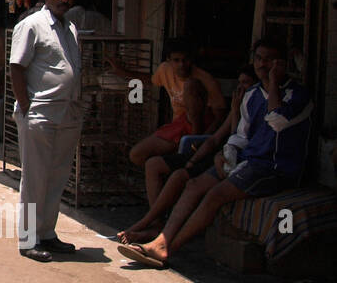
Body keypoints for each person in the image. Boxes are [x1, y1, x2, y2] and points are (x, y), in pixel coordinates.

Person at [119, 38, 311, 269]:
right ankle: (160, 237)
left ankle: (167, 249)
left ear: (281, 63)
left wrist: (273, 83)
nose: (262, 64)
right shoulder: (251, 95)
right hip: (247, 161)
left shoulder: (297, 95)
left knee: (215, 194)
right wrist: (226, 155)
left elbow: (277, 120)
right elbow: (241, 135)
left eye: (269, 60)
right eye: (259, 59)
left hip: (274, 168)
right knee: (193, 185)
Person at [118, 64, 258, 245]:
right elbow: (214, 141)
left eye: (246, 84)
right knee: (156, 165)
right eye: (239, 84)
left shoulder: (253, 106)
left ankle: (155, 230)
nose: (241, 89)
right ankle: (154, 223)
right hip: (211, 152)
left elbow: (235, 140)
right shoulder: (238, 107)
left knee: (182, 178)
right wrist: (193, 160)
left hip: (233, 159)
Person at [8, 0, 83, 263]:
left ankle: (47, 233)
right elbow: (17, 67)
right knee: (35, 178)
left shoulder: (71, 28)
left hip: (68, 113)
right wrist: (26, 107)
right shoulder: (31, 26)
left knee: (57, 175)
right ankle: (29, 239)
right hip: (40, 112)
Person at [108, 37, 225, 170]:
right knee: (136, 155)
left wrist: (202, 142)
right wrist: (122, 72)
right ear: (168, 60)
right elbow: (151, 80)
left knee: (190, 85)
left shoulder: (205, 79)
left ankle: (189, 153)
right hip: (178, 125)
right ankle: (171, 174)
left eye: (185, 60)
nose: (182, 65)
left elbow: (219, 116)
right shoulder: (164, 70)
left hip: (200, 127)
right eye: (176, 60)